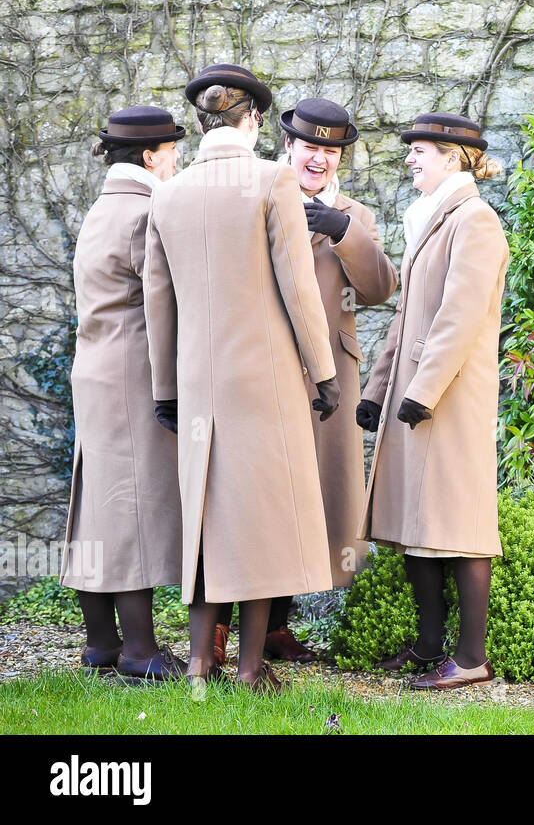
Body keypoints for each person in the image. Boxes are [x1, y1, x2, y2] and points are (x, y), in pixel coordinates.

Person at [143, 63, 340, 693]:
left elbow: (157, 299)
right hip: (266, 378)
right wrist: (325, 372)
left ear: (203, 123)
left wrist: (164, 389)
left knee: (207, 517)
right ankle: (252, 668)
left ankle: (201, 663)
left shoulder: (167, 194)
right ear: (254, 118)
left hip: (198, 382)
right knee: (260, 520)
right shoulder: (272, 180)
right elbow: (299, 287)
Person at [210, 98, 398, 666]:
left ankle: (275, 628)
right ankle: (218, 626)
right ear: (287, 145)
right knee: (248, 493)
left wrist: (344, 232)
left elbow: (378, 289)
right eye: (310, 147)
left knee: (311, 494)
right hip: (260, 366)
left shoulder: (355, 215)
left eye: (330, 150)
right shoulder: (257, 192)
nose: (319, 158)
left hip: (329, 378)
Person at [356, 112, 508, 690]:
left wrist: (420, 392)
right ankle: (426, 646)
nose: (410, 159)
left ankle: (471, 658)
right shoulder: (431, 219)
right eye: (411, 151)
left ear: (454, 157)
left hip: (451, 399)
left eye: (420, 150)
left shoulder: (476, 221)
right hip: (417, 395)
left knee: (458, 523)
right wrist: (377, 390)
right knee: (416, 522)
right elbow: (406, 318)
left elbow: (460, 319)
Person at [61, 106, 188, 682]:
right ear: (149, 157)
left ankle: (101, 643)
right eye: (173, 151)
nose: (178, 160)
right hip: (134, 373)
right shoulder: (145, 213)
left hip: (94, 370)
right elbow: (164, 303)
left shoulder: (101, 208)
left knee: (98, 505)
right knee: (131, 506)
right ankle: (140, 651)